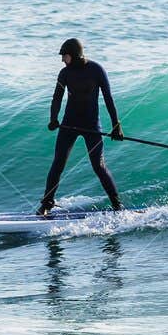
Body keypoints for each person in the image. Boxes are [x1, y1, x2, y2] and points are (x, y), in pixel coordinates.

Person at [38, 37, 124, 215]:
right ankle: (46, 204)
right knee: (58, 163)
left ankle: (117, 205)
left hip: (91, 125)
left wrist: (116, 125)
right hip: (69, 124)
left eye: (65, 56)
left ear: (75, 55)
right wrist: (53, 118)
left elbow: (108, 98)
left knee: (98, 166)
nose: (62, 60)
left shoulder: (96, 70)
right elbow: (57, 97)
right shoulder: (65, 73)